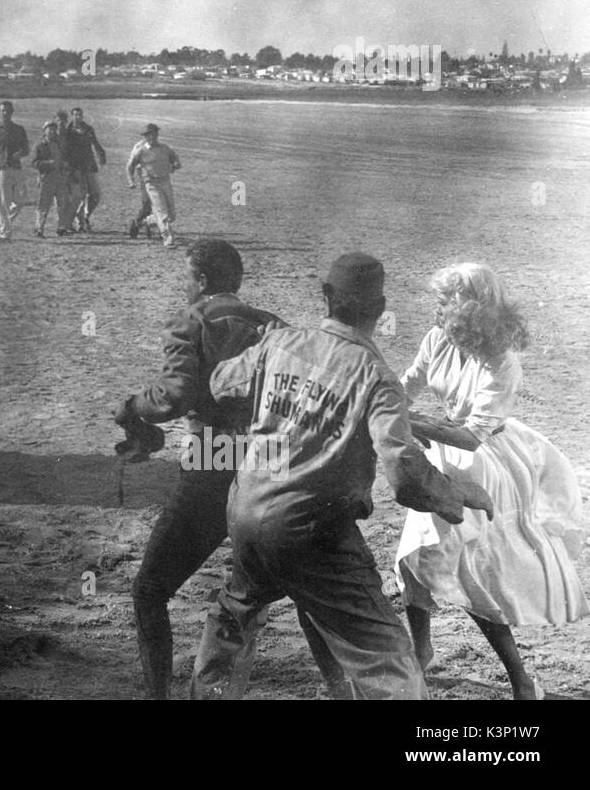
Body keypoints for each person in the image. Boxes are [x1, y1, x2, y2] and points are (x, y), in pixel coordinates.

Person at [190, 253, 495, 701]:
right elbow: (405, 475)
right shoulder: (375, 376)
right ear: (381, 307)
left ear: (326, 297)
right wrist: (455, 490)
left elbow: (221, 384)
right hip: (314, 532)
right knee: (387, 662)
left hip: (247, 511)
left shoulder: (281, 343)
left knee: (234, 618)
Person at [113, 239, 300, 699]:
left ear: (200, 280)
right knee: (267, 592)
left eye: (188, 277)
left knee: (149, 591)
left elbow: (174, 394)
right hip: (267, 468)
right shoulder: (272, 325)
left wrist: (131, 407)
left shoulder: (191, 320)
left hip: (211, 464)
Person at [395, 263, 587, 700]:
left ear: (467, 308)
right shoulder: (437, 338)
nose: (436, 309)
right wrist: (388, 407)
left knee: (472, 572)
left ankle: (519, 678)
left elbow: (471, 436)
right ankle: (422, 652)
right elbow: (407, 387)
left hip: (485, 464)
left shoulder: (503, 362)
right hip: (439, 458)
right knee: (415, 558)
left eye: (444, 302)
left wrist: (414, 422)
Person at [127, 123, 180, 246]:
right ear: (145, 136)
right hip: (151, 183)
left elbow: (176, 161)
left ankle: (145, 222)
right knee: (161, 210)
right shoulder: (140, 150)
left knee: (172, 216)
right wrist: (131, 180)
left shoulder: (165, 148)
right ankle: (168, 238)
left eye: (154, 134)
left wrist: (175, 165)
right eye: (149, 135)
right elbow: (130, 166)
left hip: (165, 181)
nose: (152, 137)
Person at [0, 100, 29, 242]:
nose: (5, 113)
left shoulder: (19, 130)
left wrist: (20, 154)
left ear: (12, 112)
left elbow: (26, 150)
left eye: (8, 110)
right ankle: (5, 234)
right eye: (3, 110)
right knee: (5, 201)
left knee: (20, 201)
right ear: (0, 112)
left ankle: (1, 221)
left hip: (16, 167)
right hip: (2, 168)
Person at [65, 107, 107, 232]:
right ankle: (77, 221)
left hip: (89, 166)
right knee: (80, 196)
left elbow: (95, 142)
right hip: (76, 168)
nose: (78, 117)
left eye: (80, 115)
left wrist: (101, 155)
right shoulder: (68, 131)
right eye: (75, 115)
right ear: (72, 116)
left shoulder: (88, 129)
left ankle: (86, 216)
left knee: (95, 194)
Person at [31, 120, 72, 237]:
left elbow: (66, 159)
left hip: (60, 177)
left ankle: (61, 228)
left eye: (54, 129)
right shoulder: (40, 146)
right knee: (44, 204)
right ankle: (39, 228)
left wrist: (65, 164)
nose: (52, 132)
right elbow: (34, 163)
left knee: (62, 203)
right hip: (47, 177)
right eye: (49, 129)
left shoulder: (60, 145)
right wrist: (48, 163)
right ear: (44, 131)